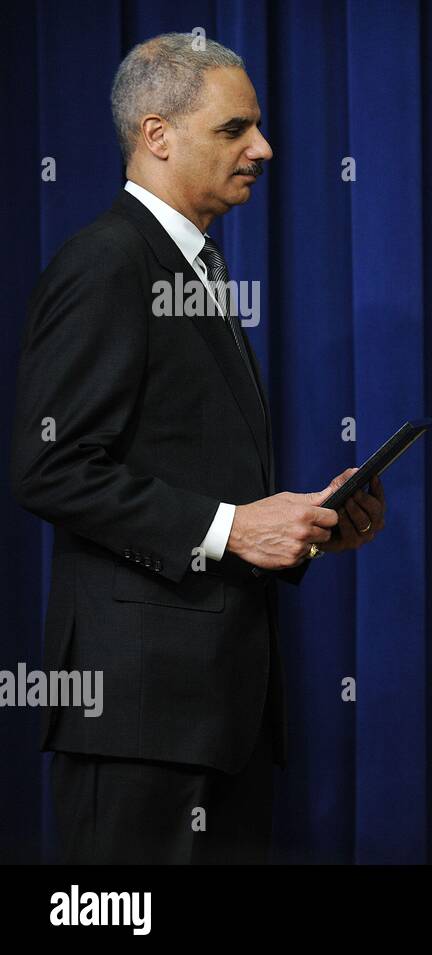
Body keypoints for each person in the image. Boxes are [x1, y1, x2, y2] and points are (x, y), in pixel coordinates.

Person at [9, 33, 386, 864]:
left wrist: (298, 528)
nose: (264, 148)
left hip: (217, 716)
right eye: (235, 129)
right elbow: (50, 465)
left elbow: (195, 481)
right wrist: (230, 527)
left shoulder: (197, 272)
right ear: (157, 135)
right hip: (141, 716)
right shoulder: (106, 263)